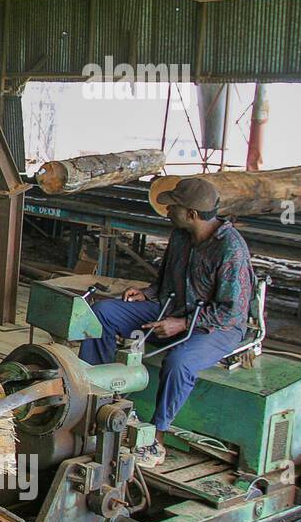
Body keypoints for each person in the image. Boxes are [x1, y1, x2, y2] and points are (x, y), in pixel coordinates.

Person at [80, 176, 254, 469]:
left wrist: (182, 324)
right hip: (171, 308)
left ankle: (156, 438)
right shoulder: (181, 236)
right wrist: (146, 293)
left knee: (180, 362)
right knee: (103, 313)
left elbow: (232, 312)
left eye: (173, 207)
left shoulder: (230, 249)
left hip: (216, 327)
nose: (167, 211)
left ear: (192, 214)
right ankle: (95, 399)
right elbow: (164, 282)